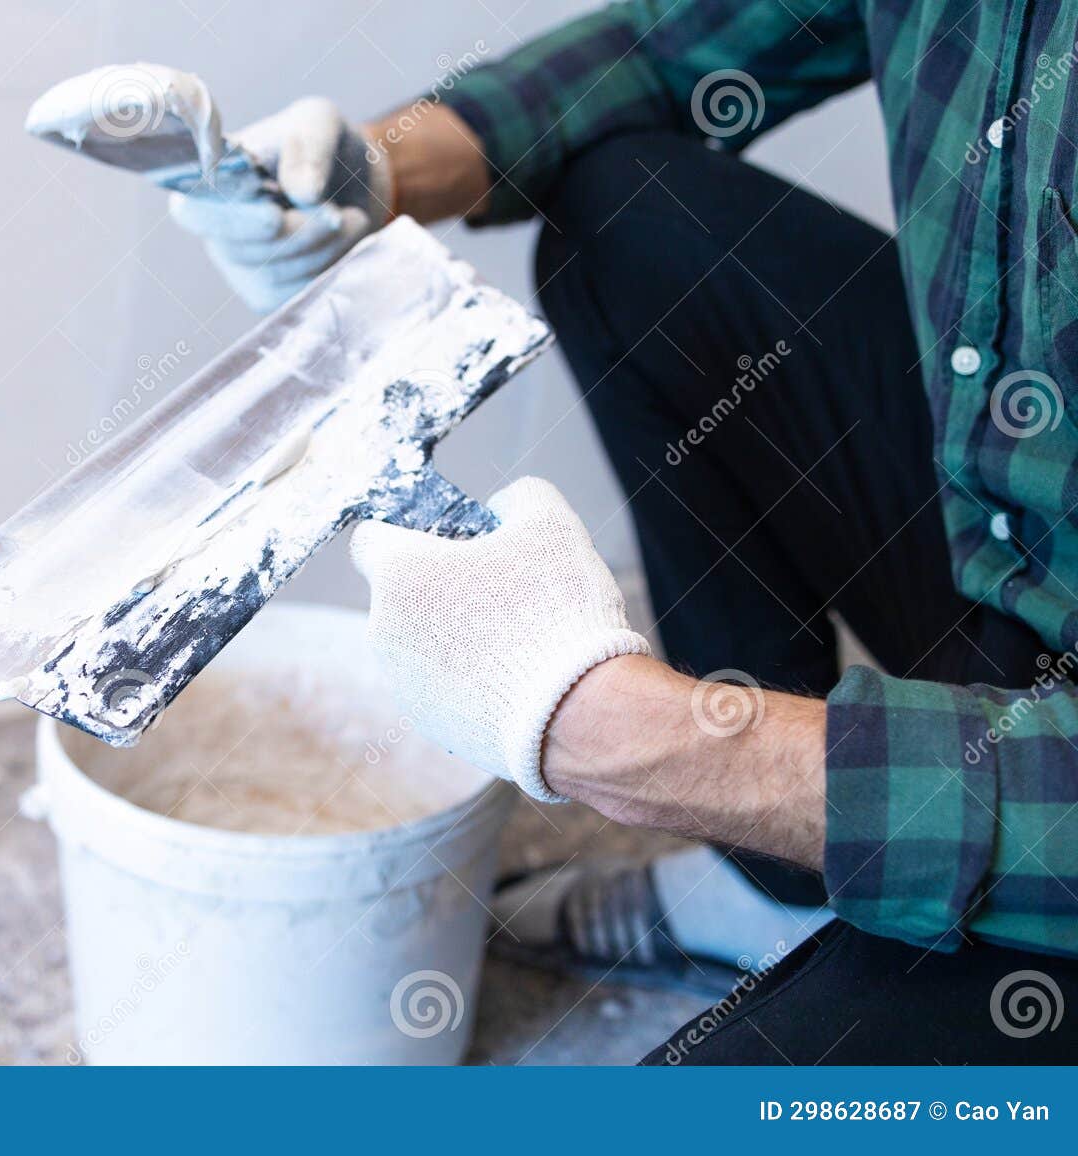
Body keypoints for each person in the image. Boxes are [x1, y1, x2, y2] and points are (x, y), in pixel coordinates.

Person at [169, 0, 1078, 1063]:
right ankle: (780, 885)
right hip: (1029, 559)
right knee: (630, 217)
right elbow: (699, 37)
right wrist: (380, 168)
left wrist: (650, 743)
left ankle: (851, 849)